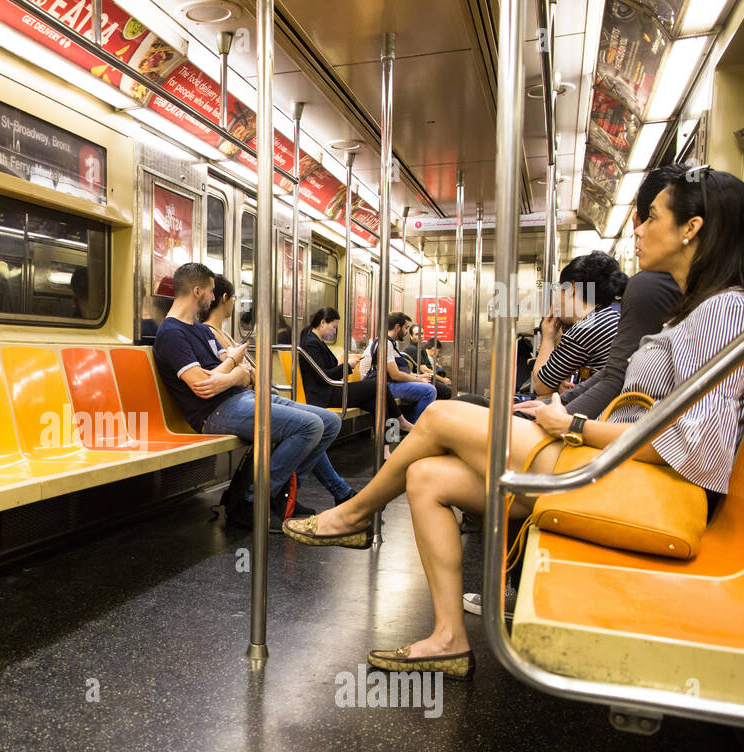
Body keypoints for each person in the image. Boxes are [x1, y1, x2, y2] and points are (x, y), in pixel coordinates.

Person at [281, 167, 744, 680]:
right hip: (612, 466)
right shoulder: (690, 311)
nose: (638, 229)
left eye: (652, 217)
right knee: (425, 477)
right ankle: (449, 639)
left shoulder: (723, 311)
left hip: (622, 474)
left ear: (692, 228)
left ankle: (354, 515)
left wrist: (575, 427)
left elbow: (701, 447)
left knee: (436, 413)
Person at [151, 262, 347, 520]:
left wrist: (234, 375)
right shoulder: (171, 333)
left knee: (330, 422)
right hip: (214, 412)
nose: (213, 297)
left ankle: (280, 493)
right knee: (310, 426)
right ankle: (254, 500)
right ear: (197, 291)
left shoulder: (199, 331)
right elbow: (204, 386)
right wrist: (234, 368)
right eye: (210, 291)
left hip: (240, 398)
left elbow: (243, 375)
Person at [511, 166, 685, 423]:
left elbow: (543, 384)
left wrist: (548, 338)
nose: (638, 231)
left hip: (611, 426)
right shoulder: (614, 313)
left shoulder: (594, 323)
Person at [199, 275, 357, 507]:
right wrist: (243, 374)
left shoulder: (227, 335)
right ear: (224, 299)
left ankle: (289, 493)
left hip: (247, 397)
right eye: (233, 298)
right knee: (310, 426)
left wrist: (245, 374)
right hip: (228, 406)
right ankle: (267, 497)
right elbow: (235, 376)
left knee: (325, 423)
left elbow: (253, 374)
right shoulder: (208, 334)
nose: (234, 303)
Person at [530, 252, 627, 397]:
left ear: (571, 289)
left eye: (558, 289)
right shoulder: (607, 317)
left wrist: (548, 337)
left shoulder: (587, 328)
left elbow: (541, 386)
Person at [297, 307, 402, 423]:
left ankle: (388, 437)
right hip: (323, 395)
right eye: (334, 327)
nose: (335, 331)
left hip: (331, 390)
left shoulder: (318, 341)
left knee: (375, 403)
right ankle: (400, 421)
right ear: (323, 323)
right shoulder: (311, 344)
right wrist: (347, 366)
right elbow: (323, 376)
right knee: (379, 384)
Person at [366, 312, 438, 428]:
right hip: (385, 385)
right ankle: (413, 426)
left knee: (429, 386)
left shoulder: (391, 344)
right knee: (430, 391)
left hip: (390, 383)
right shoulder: (386, 344)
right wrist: (418, 380)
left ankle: (413, 423)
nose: (406, 332)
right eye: (406, 328)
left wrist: (418, 377)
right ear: (397, 327)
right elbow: (395, 375)